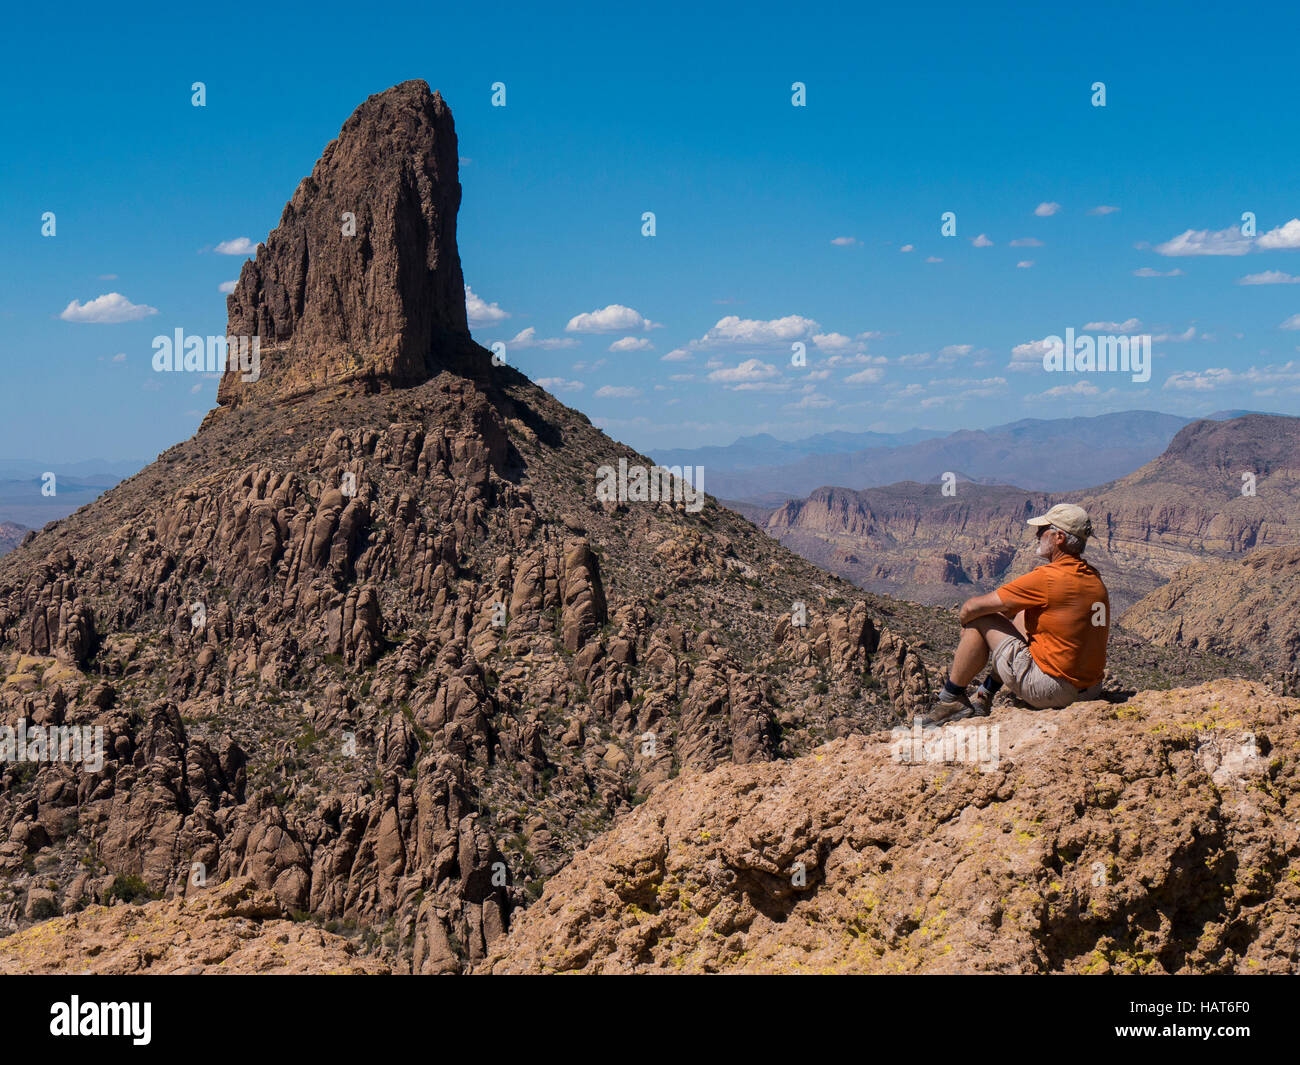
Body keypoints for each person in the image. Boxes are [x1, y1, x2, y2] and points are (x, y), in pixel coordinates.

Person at [927, 503, 1109, 725]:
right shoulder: (1093, 576)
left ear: (1059, 537)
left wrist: (967, 627)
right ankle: (984, 694)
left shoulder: (1048, 578)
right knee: (1025, 611)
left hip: (1053, 691)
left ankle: (950, 699)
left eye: (1043, 530)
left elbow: (970, 607)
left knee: (980, 619)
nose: (1037, 535)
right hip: (1091, 688)